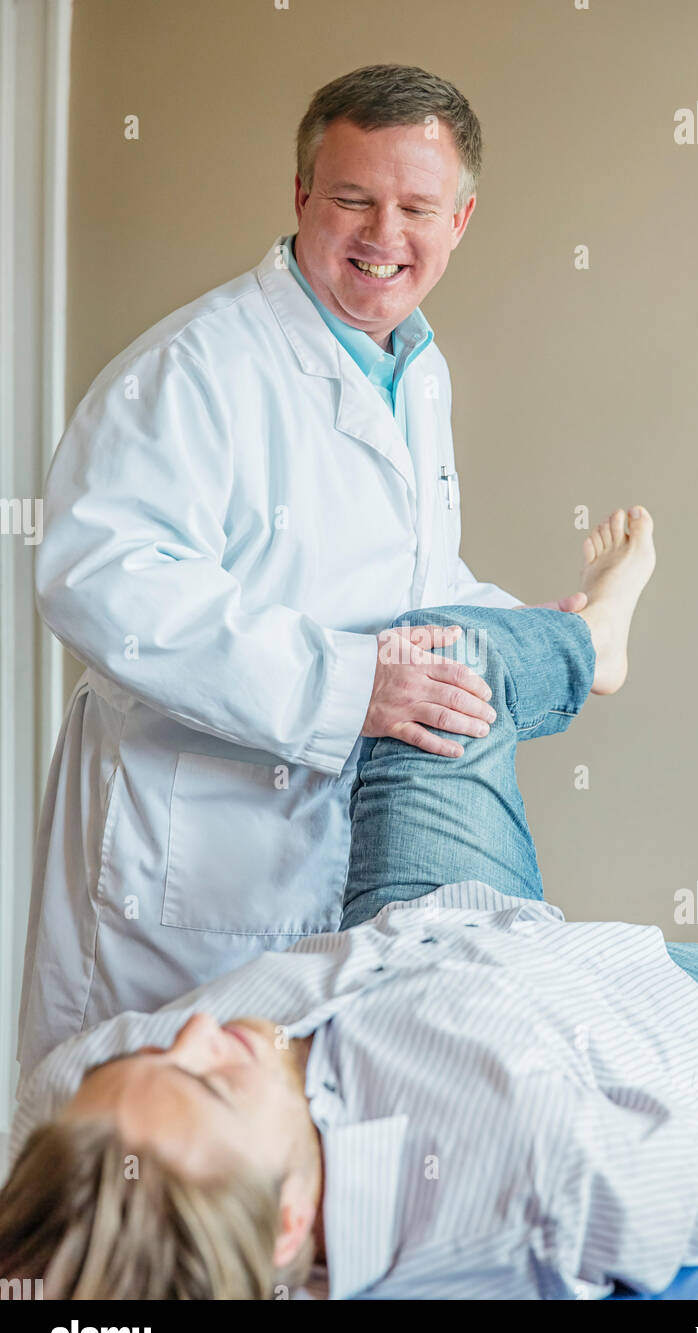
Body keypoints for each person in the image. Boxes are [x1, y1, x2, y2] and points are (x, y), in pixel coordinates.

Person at [3, 507, 698, 1300]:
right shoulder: (539, 1179)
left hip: (426, 917)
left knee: (428, 662)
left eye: (143, 1063)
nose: (186, 1034)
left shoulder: (74, 1106)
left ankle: (591, 643)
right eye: (213, 1086)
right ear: (290, 1228)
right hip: (643, 1007)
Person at [18, 63, 591, 1077]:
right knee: (141, 1164)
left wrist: (520, 623)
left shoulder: (410, 364)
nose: (383, 236)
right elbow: (100, 577)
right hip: (186, 859)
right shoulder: (194, 369)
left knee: (296, 1168)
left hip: (328, 841)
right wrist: (345, 684)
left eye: (416, 207)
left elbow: (393, 566)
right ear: (300, 197)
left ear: (459, 219)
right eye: (352, 198)